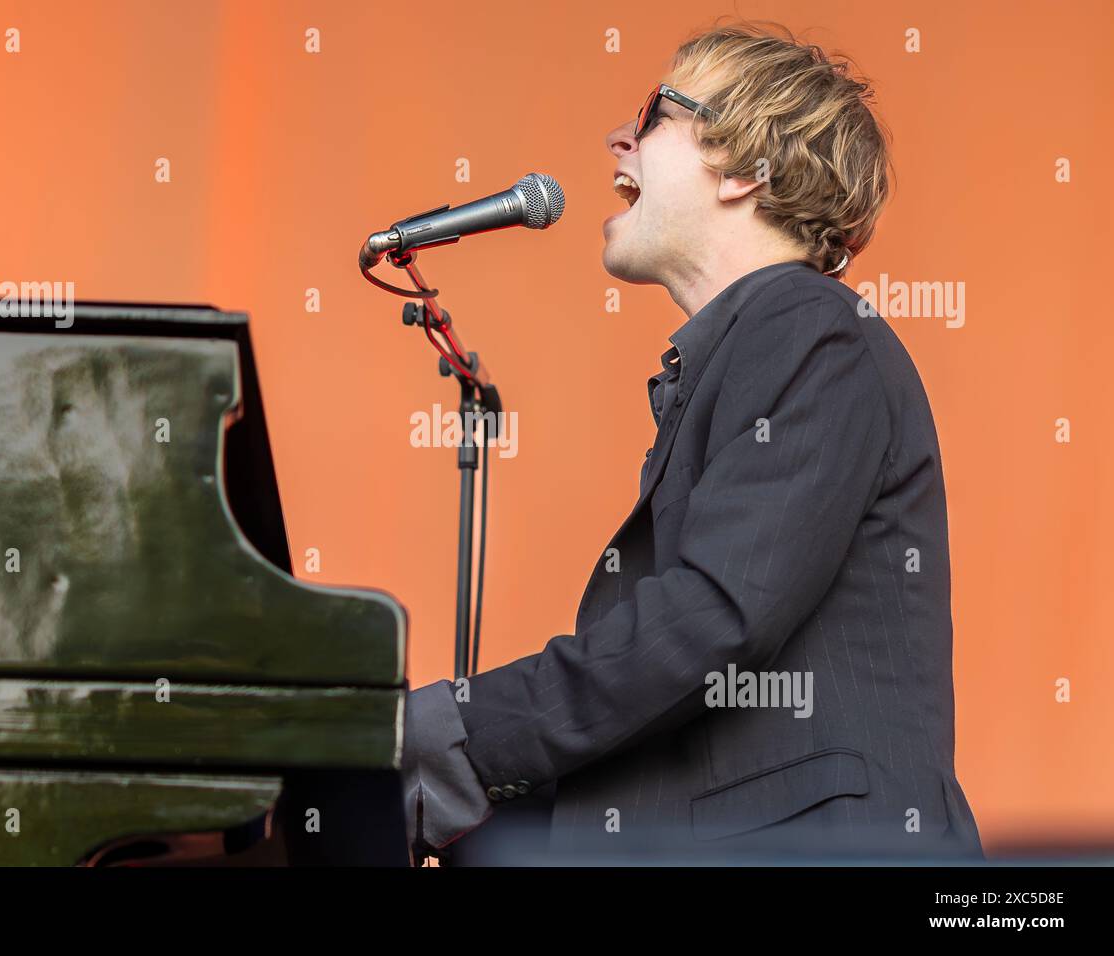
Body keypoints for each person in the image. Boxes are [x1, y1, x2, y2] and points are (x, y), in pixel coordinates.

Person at [403, 21, 982, 865]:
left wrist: (445, 739)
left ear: (748, 168)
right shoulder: (767, 345)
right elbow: (687, 707)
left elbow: (711, 619)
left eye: (654, 113)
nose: (618, 138)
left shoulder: (810, 329)